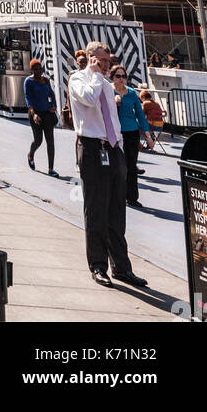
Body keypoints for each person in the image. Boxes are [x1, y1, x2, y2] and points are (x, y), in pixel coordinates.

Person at [68, 40, 147, 289]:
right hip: (92, 148)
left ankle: (122, 268)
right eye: (101, 61)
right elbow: (90, 101)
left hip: (113, 149)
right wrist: (92, 73)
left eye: (107, 61)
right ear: (91, 58)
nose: (105, 66)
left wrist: (120, 146)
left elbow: (112, 119)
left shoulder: (104, 83)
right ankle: (98, 266)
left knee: (116, 212)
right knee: (96, 212)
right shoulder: (79, 80)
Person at [111, 65, 150, 208]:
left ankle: (132, 197)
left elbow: (140, 114)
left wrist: (147, 135)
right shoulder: (107, 91)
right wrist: (113, 101)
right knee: (117, 165)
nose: (122, 79)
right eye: (118, 76)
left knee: (131, 165)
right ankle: (117, 195)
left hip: (131, 132)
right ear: (112, 77)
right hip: (114, 132)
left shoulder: (132, 93)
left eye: (124, 76)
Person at [24, 58, 58, 177]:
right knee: (38, 140)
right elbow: (28, 98)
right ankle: (31, 154)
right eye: (35, 69)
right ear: (32, 70)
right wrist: (34, 114)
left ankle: (51, 168)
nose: (38, 71)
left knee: (50, 142)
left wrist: (53, 105)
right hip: (36, 114)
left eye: (40, 69)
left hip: (48, 114)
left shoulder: (46, 80)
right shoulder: (28, 81)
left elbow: (51, 94)